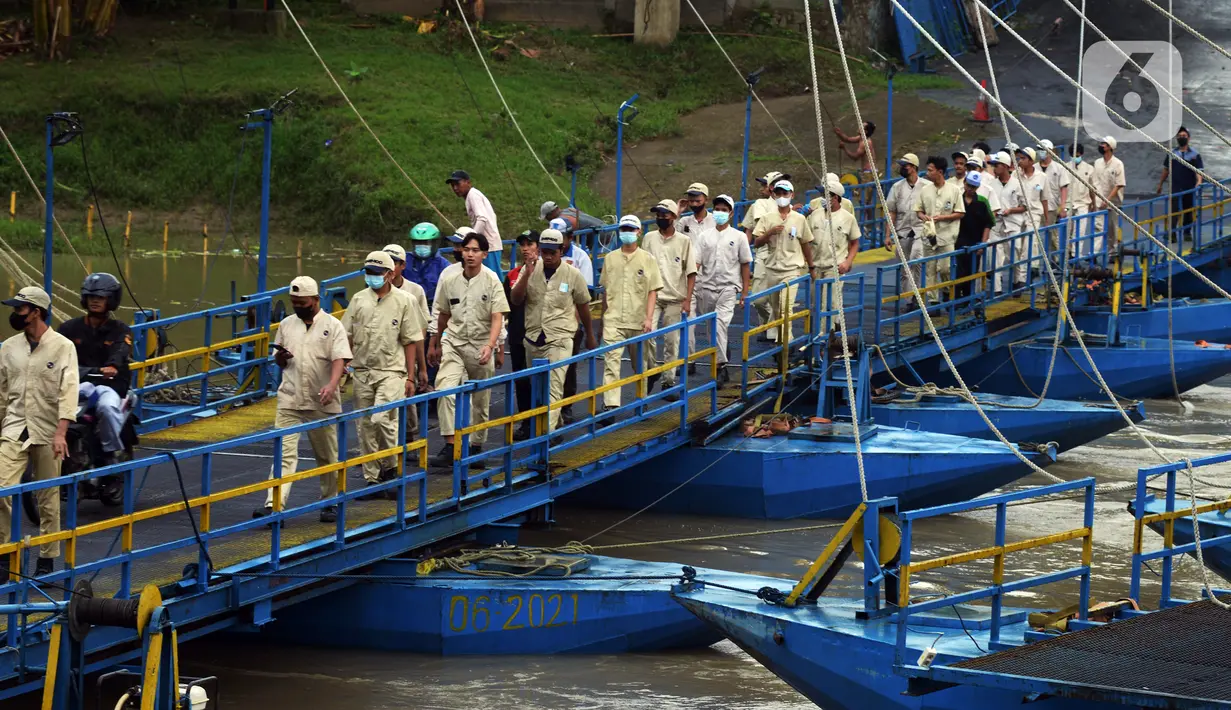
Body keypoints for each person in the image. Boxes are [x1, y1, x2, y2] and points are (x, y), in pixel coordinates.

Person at [254, 277, 351, 525]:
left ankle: (330, 502)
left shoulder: (333, 325)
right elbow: (279, 360)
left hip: (322, 400)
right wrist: (282, 358)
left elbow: (340, 358)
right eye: (294, 302)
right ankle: (274, 506)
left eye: (302, 302)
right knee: (283, 454)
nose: (297, 306)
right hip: (290, 398)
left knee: (327, 455)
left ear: (316, 300)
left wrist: (332, 385)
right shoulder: (287, 325)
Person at [0, 287, 77, 579]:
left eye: (20, 309)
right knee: (1, 489)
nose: (15, 313)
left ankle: (47, 557)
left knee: (48, 496)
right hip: (15, 427)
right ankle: (4, 555)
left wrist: (61, 432)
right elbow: (1, 392)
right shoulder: (9, 347)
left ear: (37, 312)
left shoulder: (62, 346)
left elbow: (68, 390)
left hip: (48, 429)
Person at [342, 251, 426, 498]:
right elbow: (346, 335)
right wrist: (343, 368)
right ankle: (373, 478)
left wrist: (411, 376)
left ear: (390, 274)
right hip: (363, 371)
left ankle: (390, 468)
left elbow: (411, 340)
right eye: (369, 273)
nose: (372, 278)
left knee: (382, 420)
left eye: (377, 274)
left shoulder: (404, 301)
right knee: (365, 425)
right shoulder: (359, 300)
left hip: (392, 370)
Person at [428, 233, 509, 467]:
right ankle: (452, 445)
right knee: (444, 389)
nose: (470, 254)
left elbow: (497, 317)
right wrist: (434, 343)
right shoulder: (450, 280)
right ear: (461, 252)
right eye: (466, 250)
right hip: (454, 342)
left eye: (475, 250)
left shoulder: (492, 280)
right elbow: (443, 313)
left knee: (480, 400)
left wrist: (491, 346)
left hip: (481, 344)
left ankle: (475, 446)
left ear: (484, 254)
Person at [511, 228, 596, 434]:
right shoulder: (529, 270)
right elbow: (515, 299)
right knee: (537, 389)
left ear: (561, 250)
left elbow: (583, 305)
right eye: (544, 252)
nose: (548, 257)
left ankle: (544, 439)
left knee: (553, 387)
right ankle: (554, 423)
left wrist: (591, 335)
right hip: (533, 338)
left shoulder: (572, 274)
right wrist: (527, 275)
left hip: (560, 337)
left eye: (553, 252)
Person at [58, 273, 131, 466]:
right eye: (91, 297)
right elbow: (54, 348)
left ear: (111, 300)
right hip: (77, 383)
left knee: (106, 408)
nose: (95, 302)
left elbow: (122, 349)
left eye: (100, 297)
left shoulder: (120, 329)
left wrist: (113, 366)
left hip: (108, 385)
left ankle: (111, 451)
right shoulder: (69, 328)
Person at [600, 215, 663, 413]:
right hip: (614, 320)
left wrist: (648, 318)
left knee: (640, 365)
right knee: (611, 364)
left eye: (631, 229)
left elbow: (653, 290)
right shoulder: (610, 259)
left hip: (638, 320)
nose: (627, 233)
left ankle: (640, 401)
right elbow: (605, 290)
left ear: (638, 231)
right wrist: (603, 318)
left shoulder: (647, 259)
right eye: (624, 229)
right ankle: (610, 405)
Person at [642, 199, 697, 399]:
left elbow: (691, 272)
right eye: (658, 215)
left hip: (675, 296)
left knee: (671, 341)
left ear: (673, 217)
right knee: (647, 335)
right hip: (653, 295)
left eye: (665, 215)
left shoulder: (684, 241)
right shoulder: (649, 238)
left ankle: (668, 380)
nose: (660, 218)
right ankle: (652, 370)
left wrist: (687, 300)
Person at [694, 194, 751, 381]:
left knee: (719, 323)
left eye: (724, 210)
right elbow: (696, 263)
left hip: (728, 287)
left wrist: (744, 291)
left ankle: (719, 367)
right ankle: (723, 355)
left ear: (731, 213)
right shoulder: (704, 236)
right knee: (713, 328)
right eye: (717, 209)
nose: (720, 213)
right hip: (706, 287)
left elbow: (745, 264)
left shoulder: (739, 236)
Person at [752, 179, 814, 340]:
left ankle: (786, 340)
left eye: (785, 193)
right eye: (778, 193)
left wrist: (812, 267)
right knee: (776, 307)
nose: (781, 196)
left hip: (792, 269)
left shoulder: (799, 219)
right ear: (774, 194)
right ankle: (778, 337)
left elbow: (805, 243)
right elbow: (757, 243)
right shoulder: (767, 218)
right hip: (772, 269)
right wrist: (769, 233)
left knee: (786, 307)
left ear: (791, 195)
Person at [808, 177, 861, 331]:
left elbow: (855, 242)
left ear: (836, 198)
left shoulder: (847, 218)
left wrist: (848, 262)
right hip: (816, 266)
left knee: (829, 304)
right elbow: (807, 239)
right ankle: (815, 335)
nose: (823, 199)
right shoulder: (815, 215)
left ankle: (826, 339)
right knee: (815, 304)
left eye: (826, 195)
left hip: (834, 267)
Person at [913, 156, 965, 305]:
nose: (927, 173)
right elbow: (918, 210)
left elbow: (960, 213)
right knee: (930, 270)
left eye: (930, 170)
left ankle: (947, 291)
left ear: (940, 171)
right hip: (929, 236)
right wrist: (924, 217)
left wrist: (942, 218)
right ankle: (934, 301)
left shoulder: (953, 190)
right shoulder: (925, 190)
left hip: (947, 236)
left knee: (945, 268)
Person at [743, 171, 788, 340]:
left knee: (781, 299)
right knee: (759, 299)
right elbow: (749, 230)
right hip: (764, 252)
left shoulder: (791, 209)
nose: (761, 188)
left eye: (763, 185)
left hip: (785, 256)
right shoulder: (760, 204)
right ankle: (770, 325)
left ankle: (772, 331)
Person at [558, 228, 594, 424]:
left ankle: (566, 406)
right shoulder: (540, 259)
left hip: (570, 323)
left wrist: (586, 330)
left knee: (569, 367)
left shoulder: (580, 258)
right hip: (545, 324)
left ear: (570, 238)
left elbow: (584, 297)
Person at [504, 231, 537, 440]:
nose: (525, 248)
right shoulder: (512, 275)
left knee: (544, 379)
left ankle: (553, 416)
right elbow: (507, 305)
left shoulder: (550, 271)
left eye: (529, 244)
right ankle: (527, 421)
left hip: (542, 335)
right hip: (518, 334)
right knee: (522, 380)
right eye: (522, 245)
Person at [885, 153, 926, 308]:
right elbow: (891, 211)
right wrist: (888, 235)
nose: (902, 168)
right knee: (904, 268)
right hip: (902, 231)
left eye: (905, 165)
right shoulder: (897, 188)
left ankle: (917, 295)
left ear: (914, 167)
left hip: (920, 230)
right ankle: (909, 299)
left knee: (916, 259)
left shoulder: (926, 186)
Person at [446, 170, 503, 277]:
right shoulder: (472, 196)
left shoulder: (473, 195)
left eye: (458, 184)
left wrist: (472, 238)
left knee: (492, 278)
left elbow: (482, 218)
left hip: (489, 246)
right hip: (486, 246)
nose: (455, 188)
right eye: (452, 185)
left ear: (468, 182)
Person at [1157, 126, 1204, 242]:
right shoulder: (1172, 154)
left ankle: (1187, 232)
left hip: (1189, 187)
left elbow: (1199, 171)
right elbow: (1166, 170)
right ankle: (1172, 233)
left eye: (1184, 136)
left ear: (1188, 138)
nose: (1181, 138)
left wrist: (1199, 182)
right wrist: (1160, 184)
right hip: (1176, 188)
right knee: (1174, 211)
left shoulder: (1194, 155)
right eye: (1179, 136)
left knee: (1188, 210)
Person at [955, 173, 997, 301]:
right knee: (957, 272)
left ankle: (968, 299)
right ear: (964, 183)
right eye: (968, 185)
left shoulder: (982, 202)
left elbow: (989, 223)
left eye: (973, 187)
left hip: (975, 242)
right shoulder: (957, 199)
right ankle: (956, 301)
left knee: (971, 272)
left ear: (977, 187)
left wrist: (982, 244)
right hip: (958, 241)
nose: (970, 189)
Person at [991, 150, 1028, 293]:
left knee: (1014, 254)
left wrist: (1011, 210)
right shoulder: (991, 185)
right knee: (996, 257)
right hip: (996, 225)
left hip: (1013, 224)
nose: (995, 168)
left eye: (998, 165)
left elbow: (1025, 206)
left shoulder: (1017, 184)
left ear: (1006, 166)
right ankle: (997, 289)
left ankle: (1016, 281)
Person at [385, 243, 432, 347]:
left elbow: (423, 325)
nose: (388, 267)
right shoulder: (373, 291)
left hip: (407, 347)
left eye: (393, 263)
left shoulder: (416, 290)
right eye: (385, 263)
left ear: (403, 265)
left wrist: (417, 352)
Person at [1090, 136, 1126, 253]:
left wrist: (1108, 200)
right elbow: (1094, 182)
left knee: (1112, 229)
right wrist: (1094, 201)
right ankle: (1094, 253)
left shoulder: (1118, 164)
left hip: (1113, 202)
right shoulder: (1097, 163)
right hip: (1099, 202)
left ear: (1110, 147)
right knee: (1097, 227)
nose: (1101, 146)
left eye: (1104, 144)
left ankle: (1113, 251)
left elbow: (1119, 184)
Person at [407, 222, 450, 306]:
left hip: (432, 308)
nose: (421, 246)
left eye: (426, 243)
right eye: (418, 243)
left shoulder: (444, 265)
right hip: (408, 306)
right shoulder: (405, 260)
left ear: (434, 243)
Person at [1067, 143, 1096, 257]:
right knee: (1068, 231)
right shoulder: (1065, 167)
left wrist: (1093, 204)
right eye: (1073, 155)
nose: (1075, 157)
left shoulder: (1089, 169)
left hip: (1083, 203)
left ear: (1081, 154)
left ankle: (1076, 256)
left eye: (1077, 155)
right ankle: (1068, 254)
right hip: (1068, 203)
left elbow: (1092, 188)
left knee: (1080, 232)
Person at [1037, 140, 1071, 230]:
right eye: (1039, 149)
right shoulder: (1034, 168)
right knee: (1036, 235)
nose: (1040, 151)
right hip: (1036, 207)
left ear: (1050, 151)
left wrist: (1063, 206)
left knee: (1051, 234)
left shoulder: (1059, 168)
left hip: (1052, 207)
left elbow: (1064, 187)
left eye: (1043, 149)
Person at [540, 200, 605, 233]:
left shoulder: (563, 220)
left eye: (547, 217)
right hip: (606, 227)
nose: (547, 220)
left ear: (551, 213)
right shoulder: (569, 209)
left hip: (604, 238)